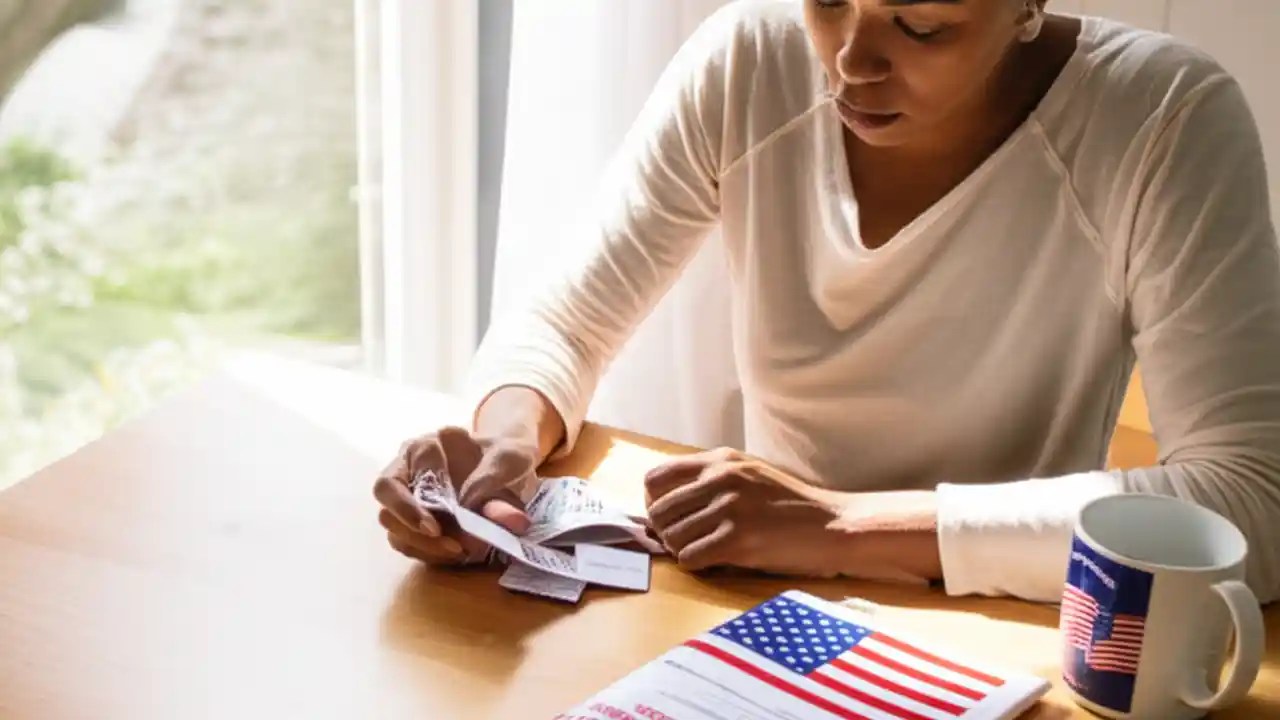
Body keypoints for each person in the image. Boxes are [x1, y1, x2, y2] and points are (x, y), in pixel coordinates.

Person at [372, 0, 1280, 604]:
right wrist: (503, 438)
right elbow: (565, 321)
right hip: (757, 591)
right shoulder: (750, 59)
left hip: (1005, 621)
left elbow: (1252, 499)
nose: (850, 62)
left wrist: (840, 523)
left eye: (922, 25)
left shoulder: (1162, 118)